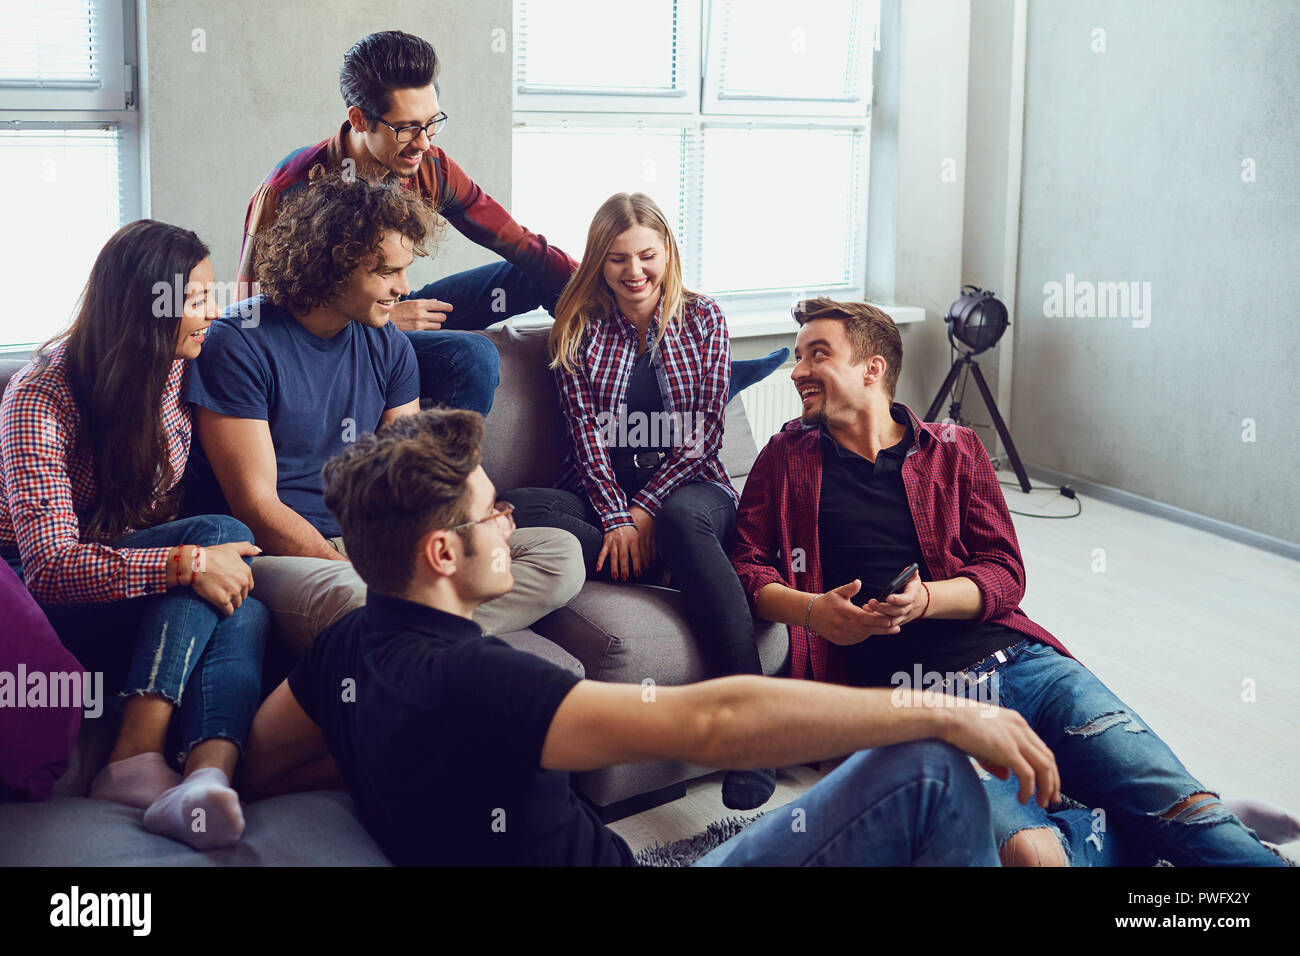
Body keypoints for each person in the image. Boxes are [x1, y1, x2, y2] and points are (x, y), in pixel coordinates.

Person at [239, 408, 1063, 867]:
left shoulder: (350, 649)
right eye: (491, 511)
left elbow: (265, 763)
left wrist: (389, 758)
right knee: (928, 771)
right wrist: (944, 713)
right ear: (443, 552)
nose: (509, 519)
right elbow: (712, 722)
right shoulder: (478, 675)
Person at [728, 297, 1289, 867]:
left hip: (1025, 668)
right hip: (913, 706)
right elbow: (745, 562)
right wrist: (810, 612)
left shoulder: (954, 449)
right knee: (1032, 855)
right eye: (798, 358)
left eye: (816, 356)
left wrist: (926, 599)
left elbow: (1004, 572)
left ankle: (1190, 826)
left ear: (872, 368)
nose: (797, 372)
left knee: (1185, 810)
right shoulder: (787, 457)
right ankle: (1145, 835)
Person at [188, 174, 583, 655]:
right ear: (332, 266)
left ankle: (407, 633)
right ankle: (416, 627)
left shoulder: (389, 345)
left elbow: (406, 479)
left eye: (404, 269)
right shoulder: (240, 340)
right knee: (357, 598)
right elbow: (257, 505)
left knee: (558, 557)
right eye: (386, 271)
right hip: (285, 554)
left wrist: (463, 531)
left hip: (374, 547)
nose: (404, 287)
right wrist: (357, 571)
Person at [0, 220, 270, 849]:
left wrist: (194, 567)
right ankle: (135, 753)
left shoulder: (174, 367)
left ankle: (205, 781)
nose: (215, 311)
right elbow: (50, 567)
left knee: (241, 600)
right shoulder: (40, 395)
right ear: (146, 306)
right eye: (198, 299)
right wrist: (185, 564)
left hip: (120, 580)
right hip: (46, 596)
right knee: (218, 538)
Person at [506, 192, 778, 811]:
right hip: (603, 496)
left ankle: (752, 728)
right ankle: (659, 563)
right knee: (519, 507)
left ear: (668, 254)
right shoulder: (576, 330)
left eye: (647, 256)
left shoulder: (704, 318)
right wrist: (616, 516)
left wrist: (646, 511)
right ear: (598, 263)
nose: (634, 272)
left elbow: (704, 432)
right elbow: (585, 440)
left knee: (684, 520)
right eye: (617, 258)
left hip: (690, 489)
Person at [235, 29, 576, 415]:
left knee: (538, 273)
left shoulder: (429, 167)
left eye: (432, 123)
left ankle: (603, 407)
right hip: (332, 338)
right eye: (407, 128)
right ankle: (437, 475)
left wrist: (613, 287)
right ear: (360, 119)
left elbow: (518, 242)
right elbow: (253, 317)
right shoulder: (289, 187)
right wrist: (379, 323)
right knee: (472, 355)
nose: (425, 142)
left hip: (385, 307)